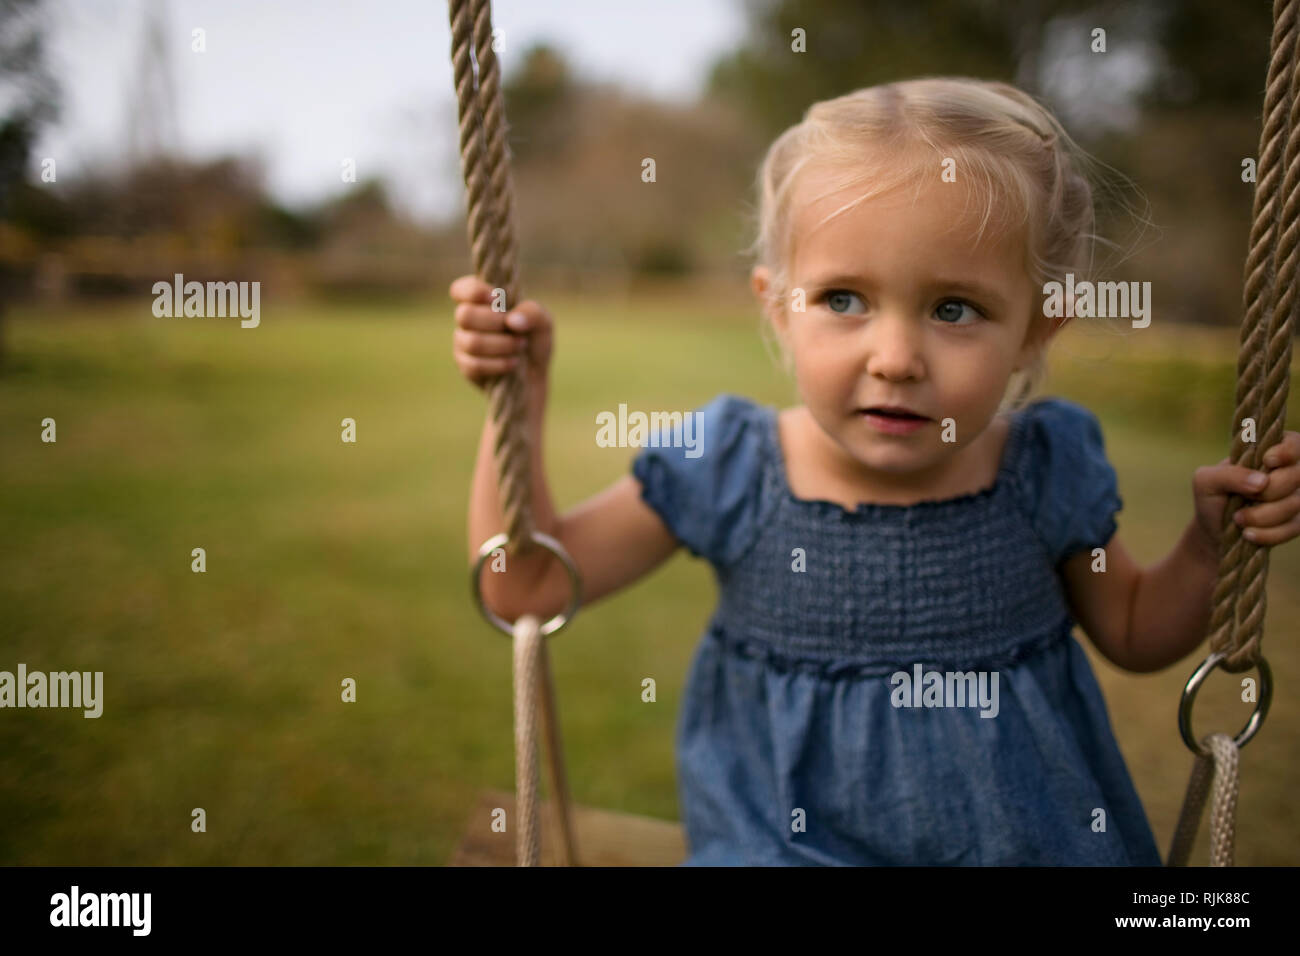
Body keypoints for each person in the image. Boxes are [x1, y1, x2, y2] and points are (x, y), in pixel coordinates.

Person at [451, 77, 1300, 865]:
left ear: (1038, 330)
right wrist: (517, 410)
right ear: (777, 308)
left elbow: (1138, 632)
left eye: (954, 308)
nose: (895, 359)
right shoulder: (730, 467)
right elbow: (522, 590)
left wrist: (1206, 546)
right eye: (844, 300)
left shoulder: (1043, 469)